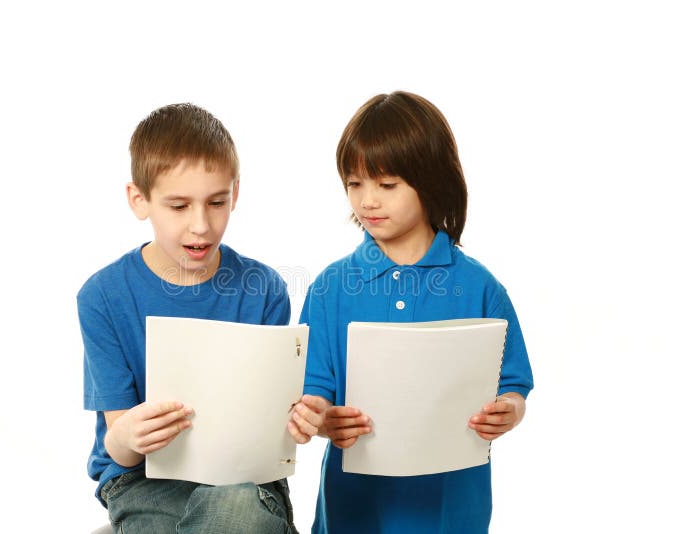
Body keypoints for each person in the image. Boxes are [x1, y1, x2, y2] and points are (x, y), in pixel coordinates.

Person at [78, 103, 326, 533]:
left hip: (244, 480)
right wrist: (129, 437)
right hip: (143, 479)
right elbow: (119, 447)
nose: (201, 226)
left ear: (236, 193)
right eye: (178, 206)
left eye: (217, 202)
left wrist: (298, 420)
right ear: (140, 200)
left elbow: (270, 426)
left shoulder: (264, 289)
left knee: (237, 511)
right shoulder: (103, 296)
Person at [299, 91, 535, 533]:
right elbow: (311, 392)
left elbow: (514, 385)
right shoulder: (331, 288)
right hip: (355, 509)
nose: (368, 201)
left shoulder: (480, 288)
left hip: (451, 510)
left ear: (431, 182)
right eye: (355, 184)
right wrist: (321, 419)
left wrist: (509, 409)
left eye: (387, 185)